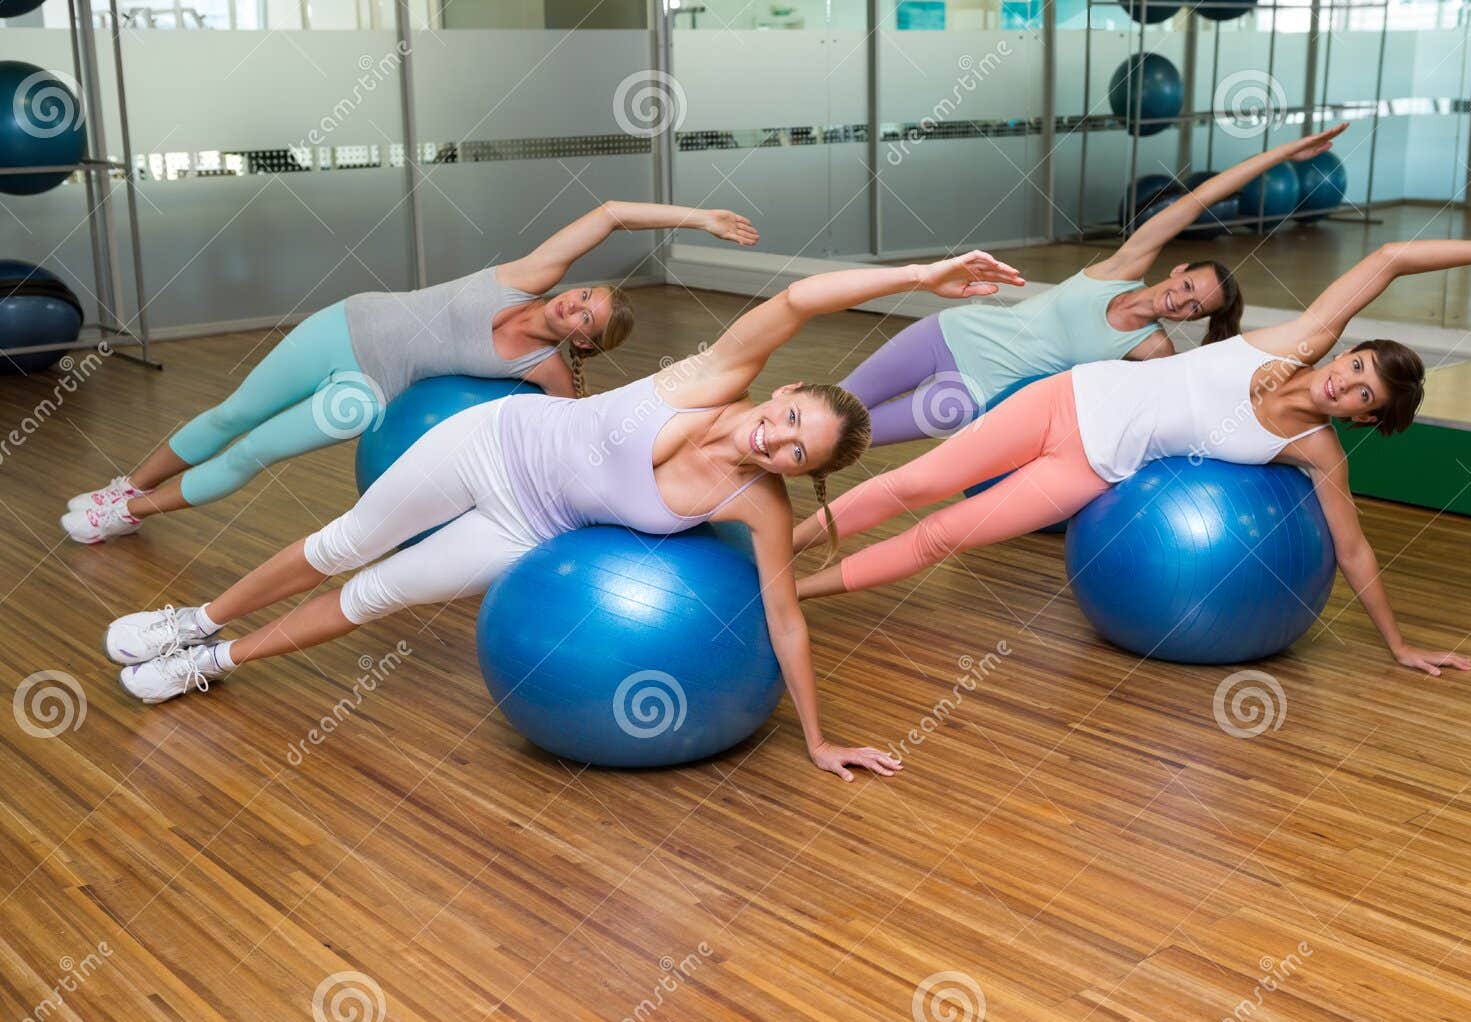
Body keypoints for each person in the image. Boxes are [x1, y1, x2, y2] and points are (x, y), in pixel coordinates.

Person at [104, 251, 1024, 780]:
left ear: (801, 471)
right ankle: (194, 620)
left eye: (798, 453)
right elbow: (791, 298)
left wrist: (820, 740)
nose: (776, 443)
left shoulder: (759, 506)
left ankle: (210, 662)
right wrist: (924, 272)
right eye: (787, 419)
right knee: (343, 543)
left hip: (523, 528)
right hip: (488, 443)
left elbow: (785, 619)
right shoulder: (711, 384)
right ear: (779, 392)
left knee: (372, 597)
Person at [792, 239, 1471, 676]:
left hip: (1091, 471)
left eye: (1364, 396)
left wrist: (1400, 643)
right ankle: (783, 547)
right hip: (1065, 399)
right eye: (1356, 366)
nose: (1345, 385)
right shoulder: (1294, 342)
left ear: (1368, 416)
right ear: (1347, 352)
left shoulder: (1313, 451)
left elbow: (1352, 548)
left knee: (944, 536)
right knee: (909, 484)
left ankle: (796, 593)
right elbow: (1392, 259)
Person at [62, 201, 760, 543]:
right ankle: (130, 482)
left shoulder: (544, 367)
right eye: (585, 297)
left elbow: (585, 436)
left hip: (365, 392)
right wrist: (698, 218)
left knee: (253, 452)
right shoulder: (526, 276)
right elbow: (609, 214)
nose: (577, 309)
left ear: (589, 343)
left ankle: (127, 512)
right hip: (341, 326)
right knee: (229, 416)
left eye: (590, 322)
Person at [838, 125, 1349, 446]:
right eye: (1191, 284)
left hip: (972, 393)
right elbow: (1198, 200)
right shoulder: (1122, 266)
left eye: (1196, 307)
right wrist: (1281, 155)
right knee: (834, 403)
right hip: (948, 334)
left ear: (1191, 319)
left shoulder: (1152, 348)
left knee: (849, 437)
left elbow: (1192, 396)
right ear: (1178, 269)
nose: (1185, 299)